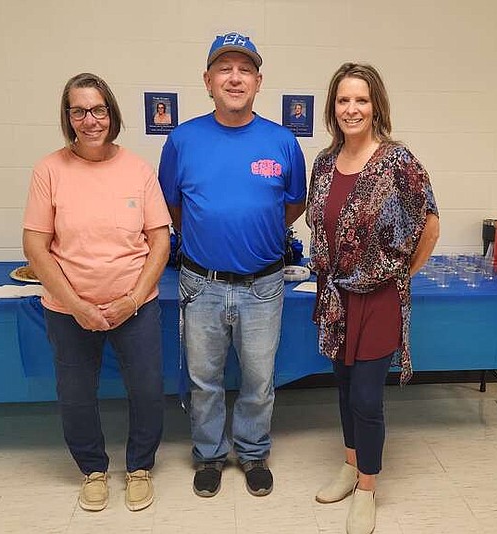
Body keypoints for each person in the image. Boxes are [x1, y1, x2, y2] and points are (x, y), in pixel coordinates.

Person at [158, 32, 307, 498]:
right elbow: (175, 207)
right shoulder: (182, 140)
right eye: (225, 69)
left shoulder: (282, 142)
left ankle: (253, 451)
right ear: (208, 80)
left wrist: (251, 232)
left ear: (259, 82)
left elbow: (293, 205)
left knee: (259, 380)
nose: (235, 77)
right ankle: (208, 455)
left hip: (264, 286)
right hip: (200, 284)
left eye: (245, 70)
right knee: (204, 380)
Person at [22, 72, 171, 513]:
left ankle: (140, 467)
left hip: (136, 305)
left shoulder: (137, 169)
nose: (90, 120)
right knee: (76, 393)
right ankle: (93, 469)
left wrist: (132, 298)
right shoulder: (49, 170)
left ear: (112, 113)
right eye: (79, 111)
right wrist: (77, 305)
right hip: (69, 310)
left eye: (98, 109)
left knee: (146, 388)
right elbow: (35, 244)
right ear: (68, 117)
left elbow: (160, 241)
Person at [306, 63, 439, 534]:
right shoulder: (323, 163)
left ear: (376, 105)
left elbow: (430, 223)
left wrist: (400, 272)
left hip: (379, 298)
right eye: (343, 100)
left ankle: (367, 487)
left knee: (366, 396)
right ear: (333, 108)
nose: (351, 108)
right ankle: (349, 463)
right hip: (336, 298)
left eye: (360, 100)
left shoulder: (398, 162)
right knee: (342, 387)